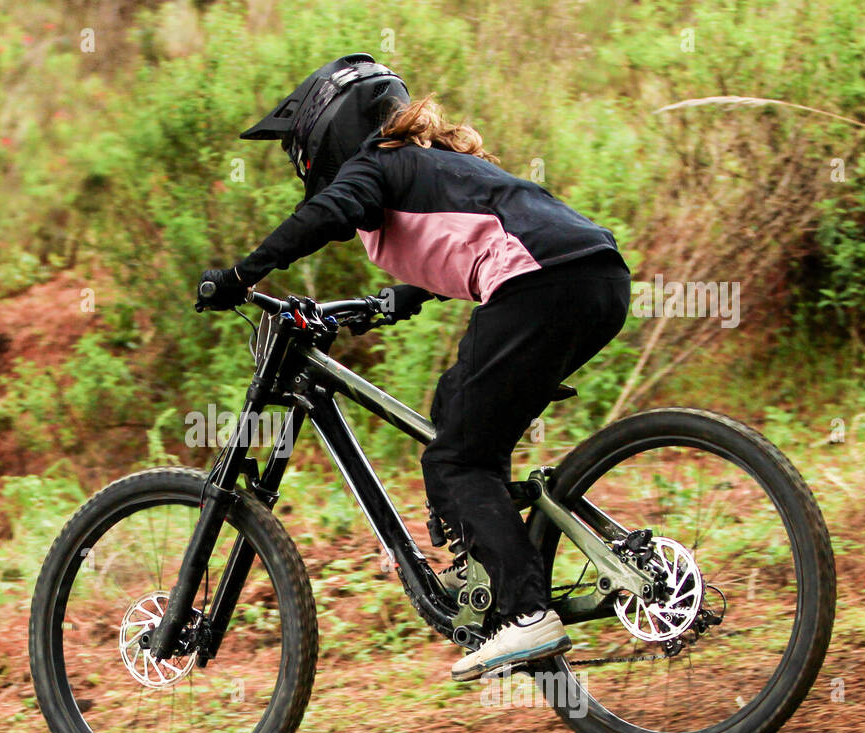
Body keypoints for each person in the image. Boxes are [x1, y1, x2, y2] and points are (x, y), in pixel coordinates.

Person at [195, 54, 631, 680]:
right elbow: (471, 234)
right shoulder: (435, 164)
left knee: (456, 457)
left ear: (329, 131)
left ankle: (527, 614)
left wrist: (243, 274)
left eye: (301, 151)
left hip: (539, 287)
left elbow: (327, 214)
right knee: (461, 414)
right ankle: (493, 564)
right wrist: (394, 301)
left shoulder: (375, 163)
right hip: (597, 281)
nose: (303, 167)